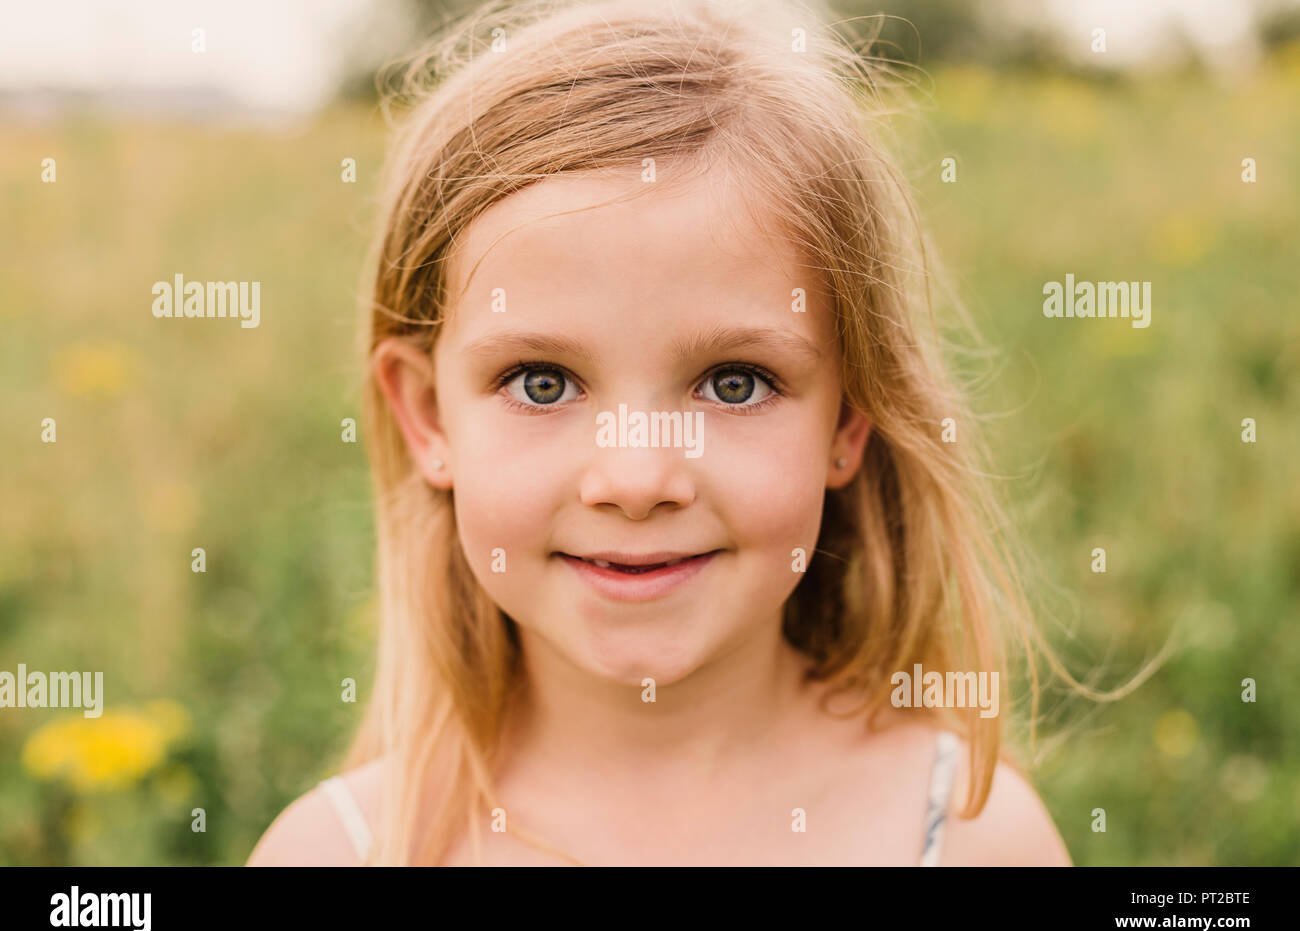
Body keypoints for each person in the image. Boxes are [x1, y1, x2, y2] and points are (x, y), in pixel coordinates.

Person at [249, 0, 1072, 866]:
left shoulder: (973, 836)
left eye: (734, 383)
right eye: (541, 383)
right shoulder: (338, 854)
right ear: (426, 416)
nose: (637, 480)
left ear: (849, 416)